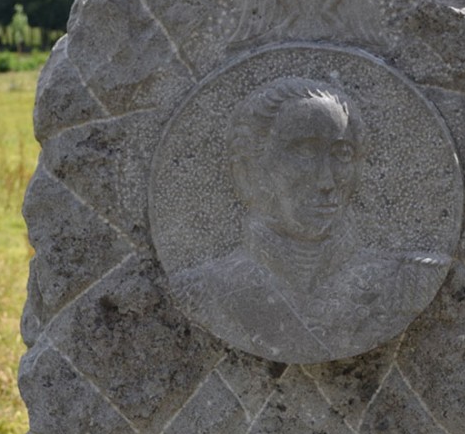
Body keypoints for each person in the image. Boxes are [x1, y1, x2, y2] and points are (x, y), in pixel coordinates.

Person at [169, 77, 445, 363]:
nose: (326, 180)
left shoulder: (409, 283)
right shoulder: (200, 292)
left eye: (342, 154)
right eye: (304, 152)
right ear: (248, 171)